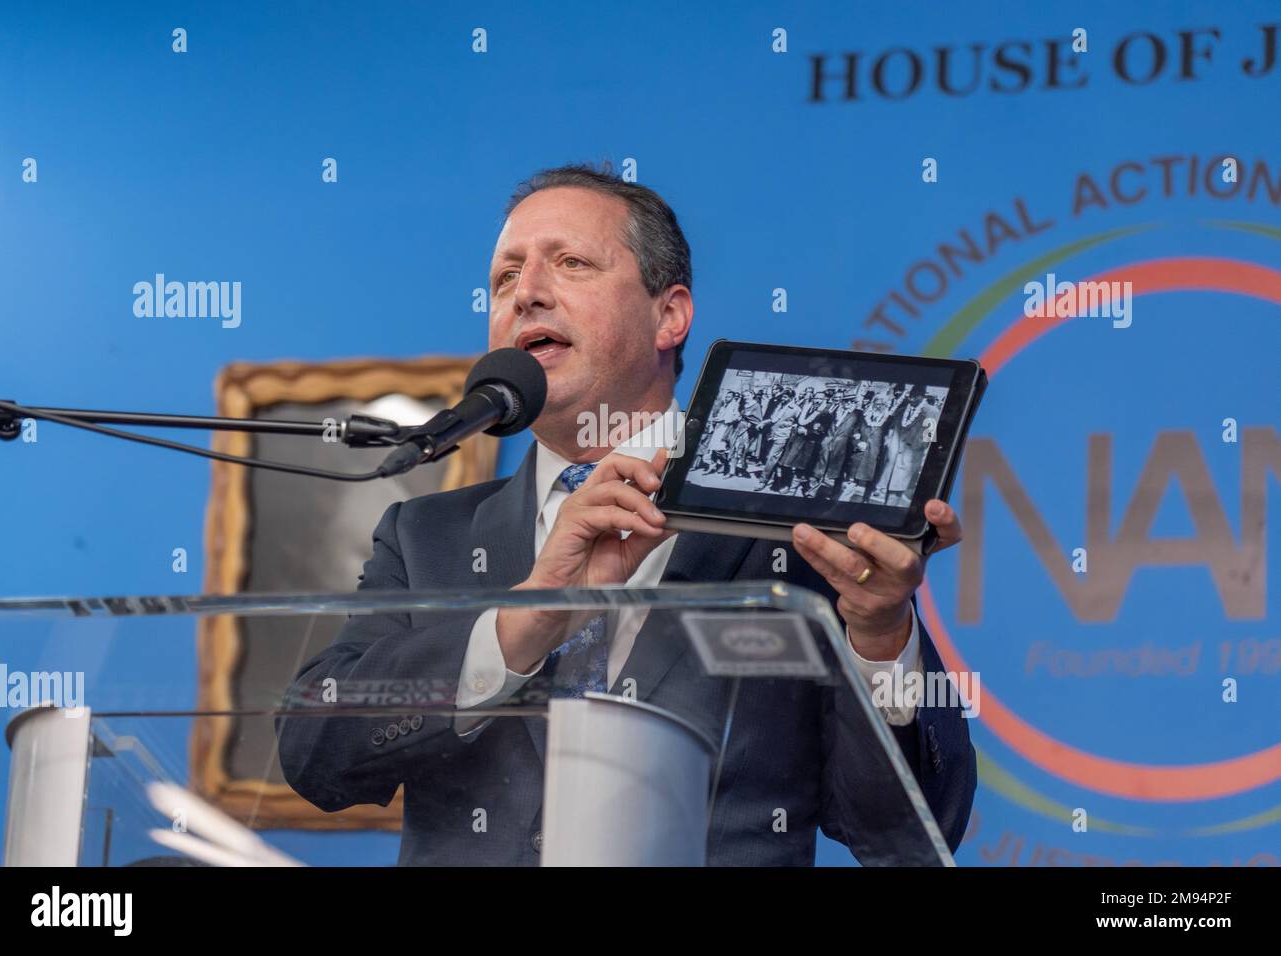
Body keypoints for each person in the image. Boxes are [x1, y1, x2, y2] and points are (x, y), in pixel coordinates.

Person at [277, 164, 974, 866]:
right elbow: (312, 756)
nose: (527, 293)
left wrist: (879, 634)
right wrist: (520, 624)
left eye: (571, 263)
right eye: (505, 277)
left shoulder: (797, 533)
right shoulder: (426, 537)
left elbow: (913, 831)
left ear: (669, 316)